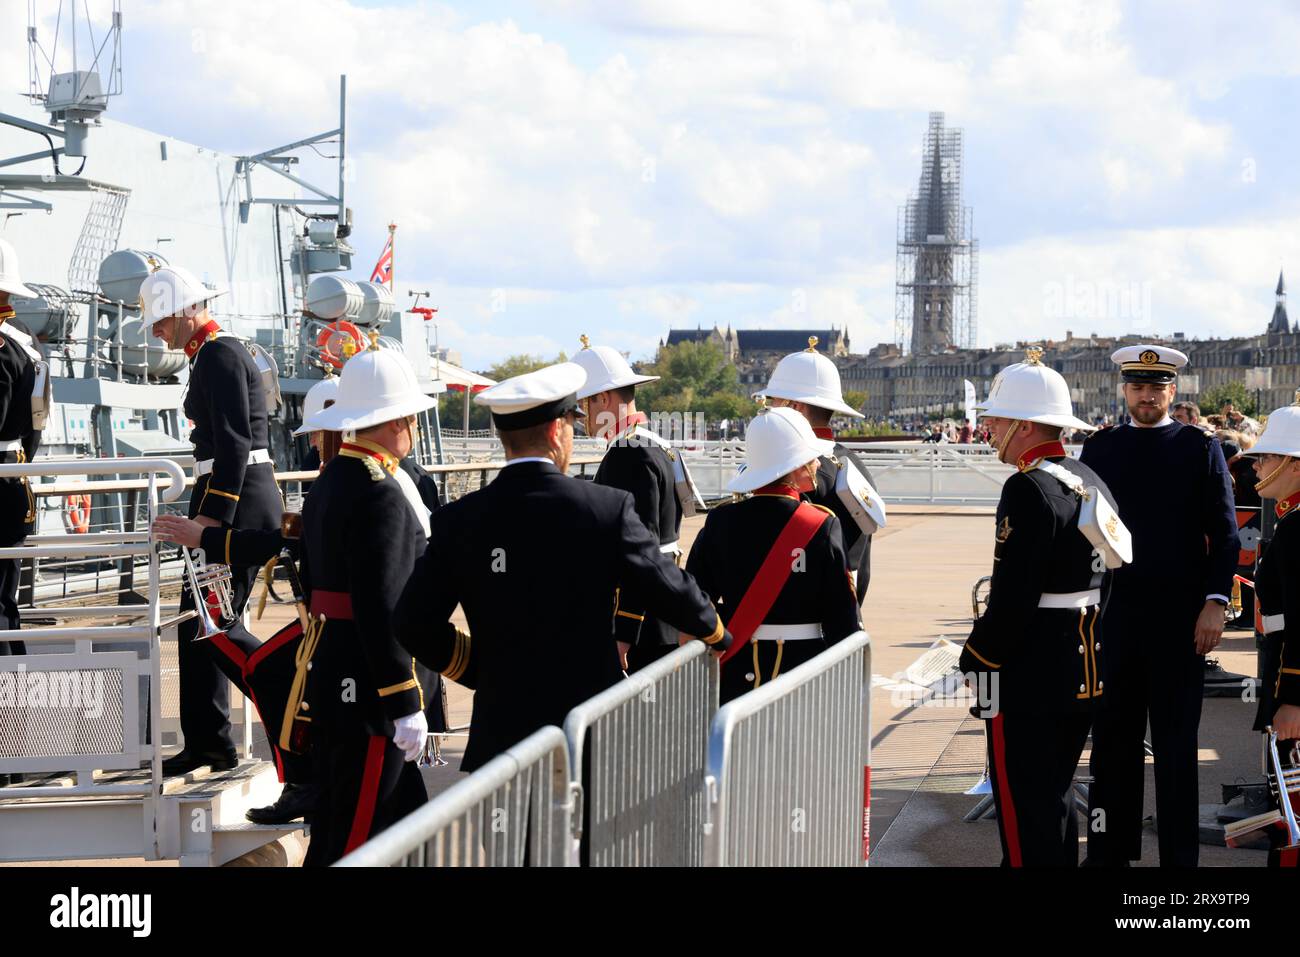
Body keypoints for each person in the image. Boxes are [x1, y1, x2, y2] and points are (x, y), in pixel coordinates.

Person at [395, 362, 729, 775]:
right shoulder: (605, 509)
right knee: (593, 840)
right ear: (557, 431)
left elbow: (412, 621)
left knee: (513, 839)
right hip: (587, 732)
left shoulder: (459, 520)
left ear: (503, 437)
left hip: (502, 736)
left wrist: (477, 668)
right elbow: (661, 580)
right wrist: (713, 628)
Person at [959, 349, 1122, 866]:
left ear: (1025, 426)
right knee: (1053, 797)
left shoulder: (1027, 488)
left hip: (1031, 674)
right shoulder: (1088, 478)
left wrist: (976, 658)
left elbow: (1014, 594)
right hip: (1084, 665)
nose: (989, 428)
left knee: (1024, 809)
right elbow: (1111, 578)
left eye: (998, 419)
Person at [1081, 344, 1239, 867]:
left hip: (1181, 620)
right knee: (1112, 745)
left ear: (1173, 391)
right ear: (1124, 390)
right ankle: (1109, 851)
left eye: (1157, 387)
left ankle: (1179, 863)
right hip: (1115, 617)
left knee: (1176, 750)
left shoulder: (1199, 448)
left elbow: (1225, 533)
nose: (1147, 396)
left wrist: (1215, 602)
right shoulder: (1100, 450)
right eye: (1137, 387)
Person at [292, 348, 436, 865]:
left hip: (334, 667)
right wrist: (403, 700)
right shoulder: (382, 493)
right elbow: (383, 605)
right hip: (372, 689)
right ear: (397, 420)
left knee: (384, 817)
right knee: (355, 835)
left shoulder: (330, 480)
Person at [142, 265, 284, 776]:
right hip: (232, 491)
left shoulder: (219, 354)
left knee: (214, 625)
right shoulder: (213, 353)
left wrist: (207, 524)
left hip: (237, 497)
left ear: (183, 311)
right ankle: (209, 740)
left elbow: (235, 445)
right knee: (204, 626)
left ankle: (279, 710)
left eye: (160, 320)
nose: (156, 331)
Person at [686, 406, 861, 704]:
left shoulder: (721, 520)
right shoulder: (822, 524)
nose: (818, 463)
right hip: (804, 674)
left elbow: (693, 599)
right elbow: (842, 618)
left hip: (736, 670)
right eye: (810, 457)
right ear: (795, 467)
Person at [573, 335, 683, 672]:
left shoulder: (626, 454)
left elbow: (640, 550)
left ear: (602, 398)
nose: (580, 418)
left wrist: (625, 631)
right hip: (663, 611)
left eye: (582, 406)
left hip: (643, 626)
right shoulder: (655, 445)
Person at [755, 336, 882, 601]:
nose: (767, 411)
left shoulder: (789, 469)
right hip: (843, 614)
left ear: (795, 407)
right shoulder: (852, 463)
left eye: (773, 402)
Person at [0, 238, 42, 789]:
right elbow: (30, 428)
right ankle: (19, 735)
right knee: (5, 607)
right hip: (14, 480)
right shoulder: (25, 345)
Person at [1239, 398, 1300, 743]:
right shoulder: (1290, 520)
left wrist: (1294, 697)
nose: (1257, 467)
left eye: (1267, 457)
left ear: (1294, 464)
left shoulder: (1296, 526)